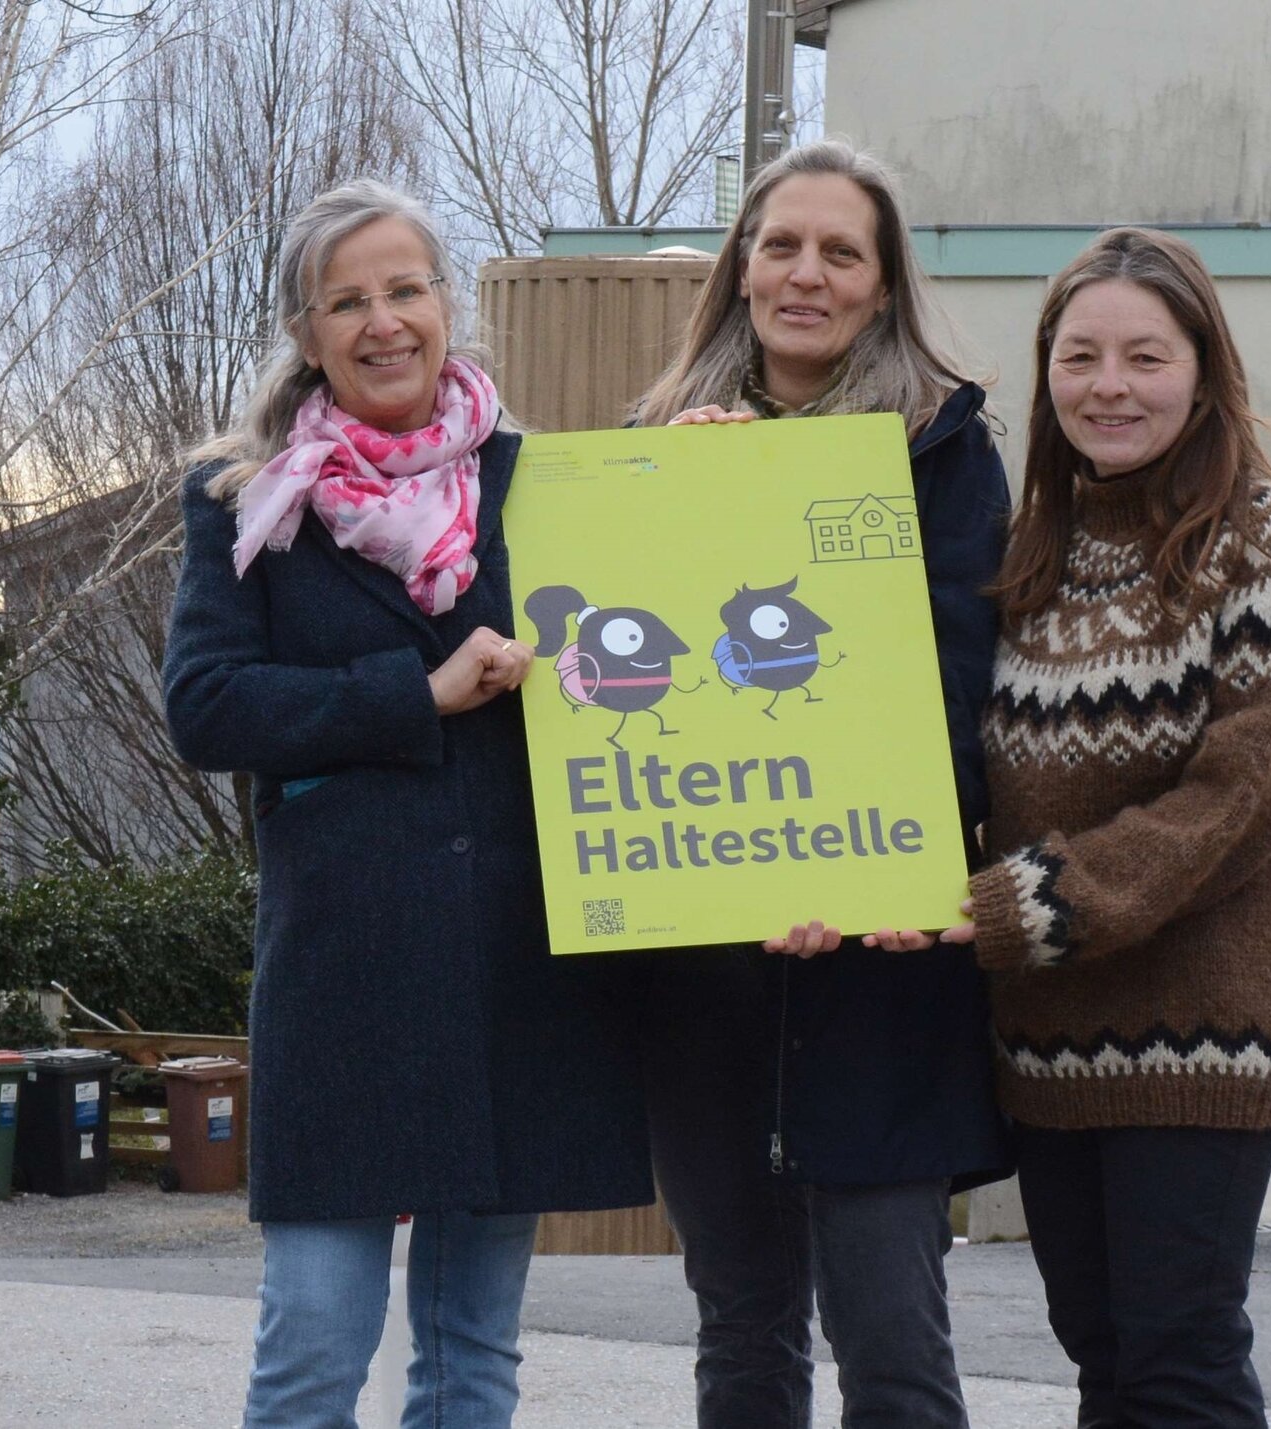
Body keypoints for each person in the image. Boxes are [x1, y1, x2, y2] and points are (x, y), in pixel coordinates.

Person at [162, 179, 651, 1429]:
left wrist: (697, 474)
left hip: (514, 967)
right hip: (347, 976)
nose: (383, 322)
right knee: (315, 1347)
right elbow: (207, 707)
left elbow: (649, 651)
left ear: (447, 304)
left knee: (472, 1353)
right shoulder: (244, 498)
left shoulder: (543, 484)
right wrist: (413, 693)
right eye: (348, 300)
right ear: (306, 330)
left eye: (405, 289)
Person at [940, 226, 1271, 1428]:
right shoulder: (1034, 550)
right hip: (1051, 1034)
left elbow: (1244, 800)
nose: (1107, 386)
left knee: (1178, 1359)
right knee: (1106, 1356)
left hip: (1206, 1029)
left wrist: (1040, 900)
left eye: (1142, 357)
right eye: (1079, 357)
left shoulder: (1263, 543)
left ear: (1202, 371)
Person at [631, 140, 1010, 1429]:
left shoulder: (949, 452)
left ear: (882, 284)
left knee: (891, 1338)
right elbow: (632, 703)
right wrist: (694, 501)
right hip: (711, 977)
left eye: (838, 251)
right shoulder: (648, 452)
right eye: (779, 245)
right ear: (738, 269)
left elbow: (960, 700)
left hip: (881, 956)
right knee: (741, 1329)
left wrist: (854, 875)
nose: (805, 274)